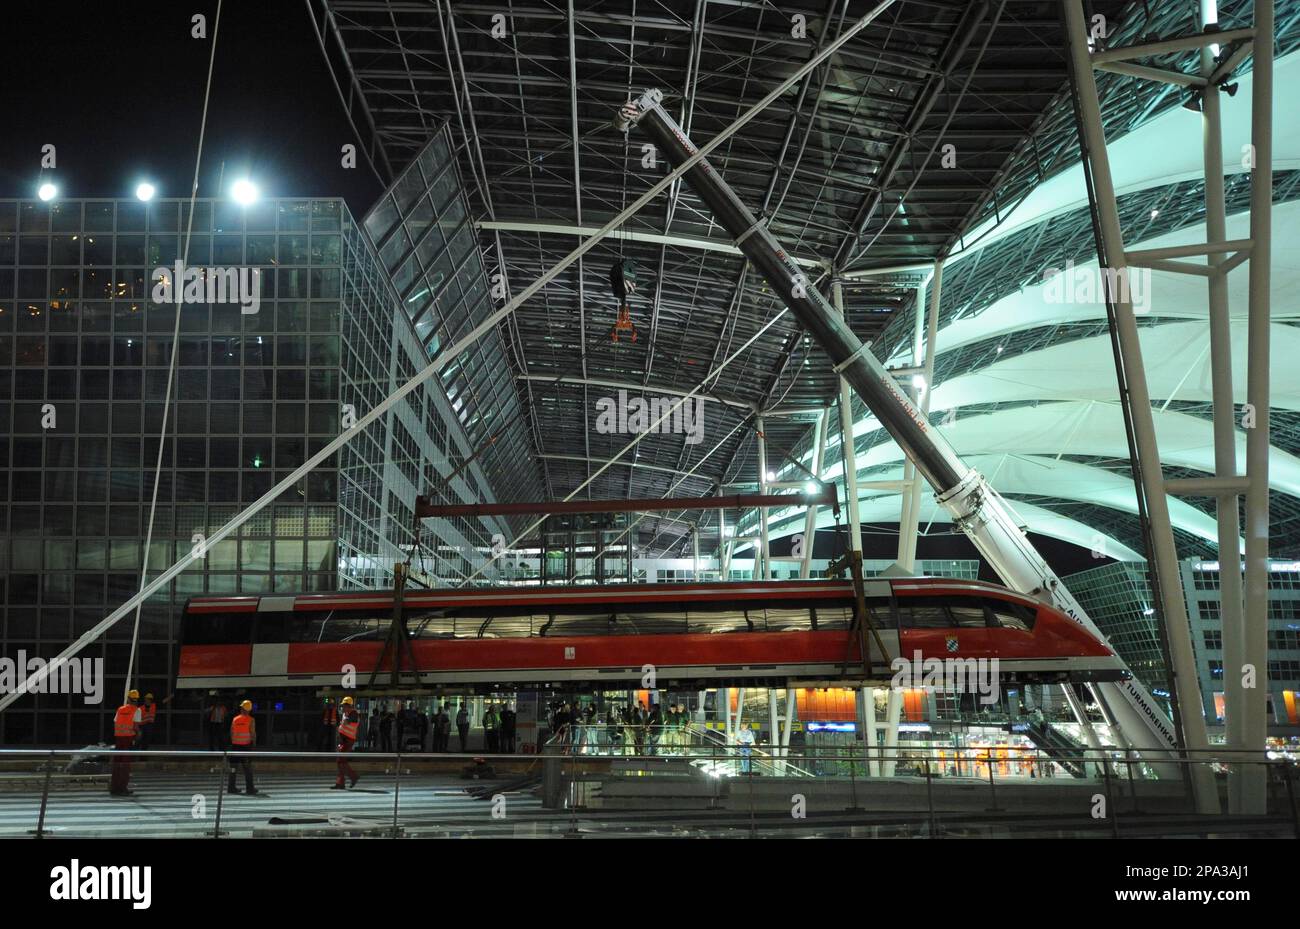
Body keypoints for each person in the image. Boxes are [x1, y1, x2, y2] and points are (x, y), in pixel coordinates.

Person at [109, 689, 142, 796]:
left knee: (117, 763)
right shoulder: (137, 710)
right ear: (136, 700)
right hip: (128, 739)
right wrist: (137, 737)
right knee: (125, 765)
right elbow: (136, 727)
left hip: (119, 739)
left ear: (128, 699)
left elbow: (115, 724)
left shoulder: (120, 709)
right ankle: (123, 788)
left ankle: (114, 788)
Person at [228, 700, 259, 795]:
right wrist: (254, 743)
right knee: (248, 769)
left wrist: (234, 741)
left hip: (235, 747)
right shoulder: (251, 720)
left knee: (233, 768)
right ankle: (250, 789)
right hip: (246, 747)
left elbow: (231, 732)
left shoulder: (235, 719)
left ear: (242, 709)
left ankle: (231, 788)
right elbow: (252, 733)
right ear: (249, 710)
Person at [332, 696, 361, 789]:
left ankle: (353, 777)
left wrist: (343, 723)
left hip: (348, 740)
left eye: (344, 706)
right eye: (342, 706)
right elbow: (343, 725)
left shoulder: (354, 713)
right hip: (344, 740)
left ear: (349, 706)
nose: (342, 708)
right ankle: (341, 783)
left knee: (341, 761)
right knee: (340, 761)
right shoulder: (346, 713)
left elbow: (347, 722)